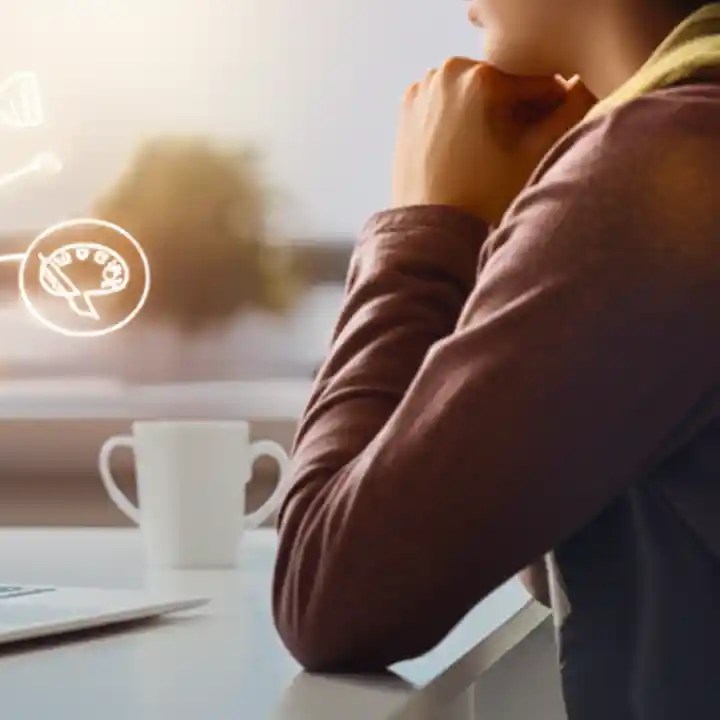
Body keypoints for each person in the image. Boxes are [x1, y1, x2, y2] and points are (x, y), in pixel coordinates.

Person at [271, 1, 720, 717]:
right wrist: (532, 235)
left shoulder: (673, 157)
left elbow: (326, 593)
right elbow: (530, 532)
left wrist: (426, 227)